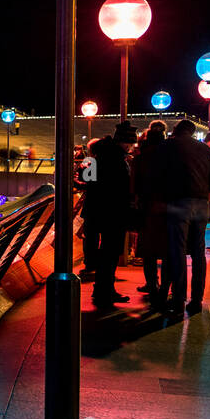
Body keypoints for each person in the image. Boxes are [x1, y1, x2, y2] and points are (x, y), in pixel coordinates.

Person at [158, 120, 210, 315]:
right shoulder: (205, 149)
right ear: (192, 132)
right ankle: (197, 300)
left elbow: (159, 177)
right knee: (198, 251)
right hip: (201, 202)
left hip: (178, 202)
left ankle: (178, 299)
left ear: (176, 130)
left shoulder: (167, 146)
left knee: (178, 250)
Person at [82, 122, 137, 307]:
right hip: (112, 213)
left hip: (97, 210)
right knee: (110, 252)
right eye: (129, 144)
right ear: (123, 142)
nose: (130, 148)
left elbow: (86, 179)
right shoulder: (116, 159)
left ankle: (102, 288)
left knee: (106, 251)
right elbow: (120, 187)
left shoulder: (98, 156)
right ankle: (105, 290)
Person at [132, 121, 169, 300]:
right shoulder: (170, 156)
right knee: (168, 249)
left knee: (149, 251)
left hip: (147, 208)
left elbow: (134, 185)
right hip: (168, 208)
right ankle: (166, 285)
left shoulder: (141, 157)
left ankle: (151, 283)